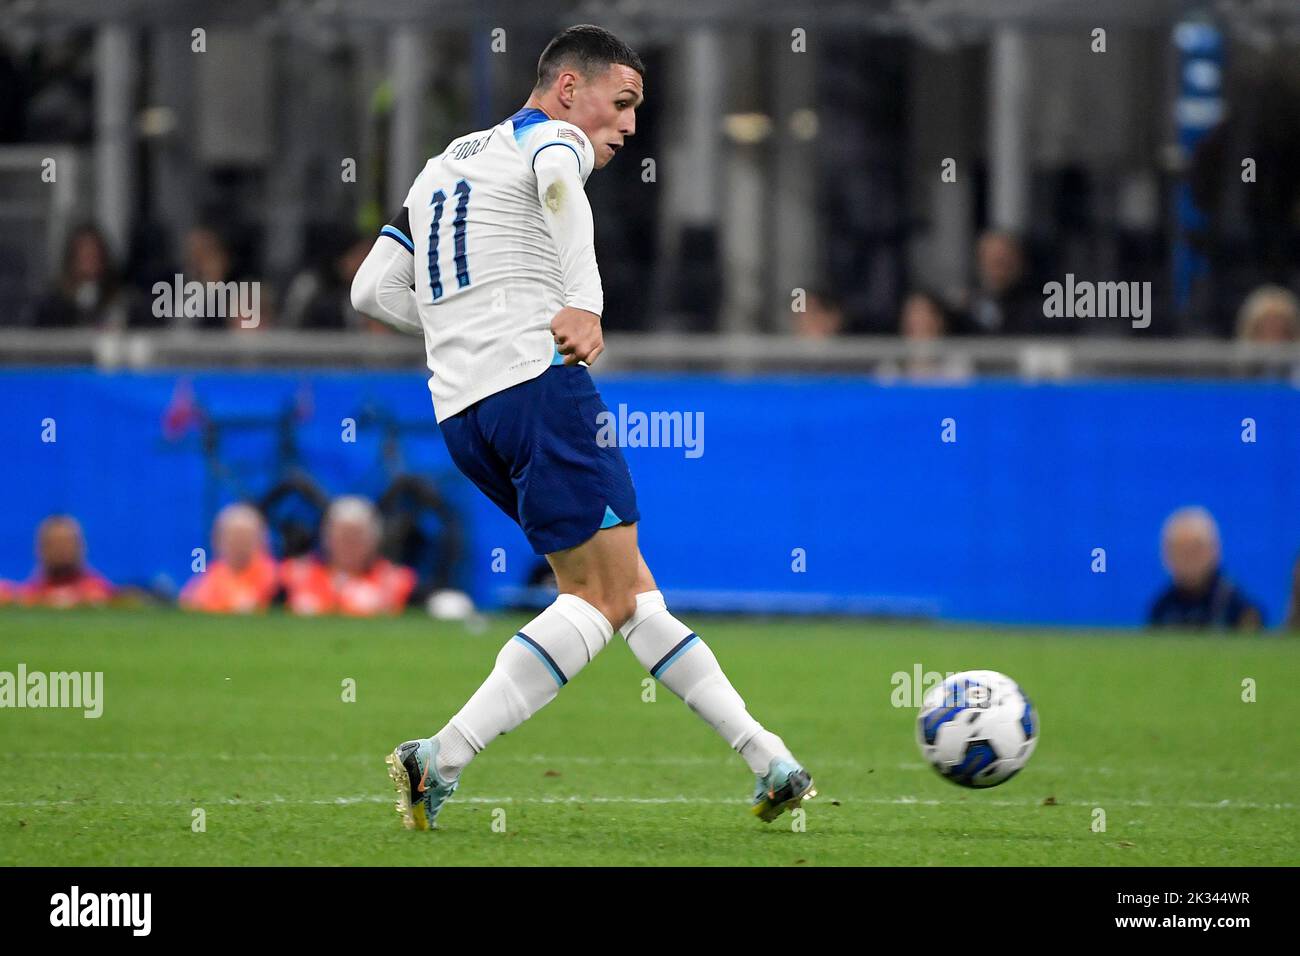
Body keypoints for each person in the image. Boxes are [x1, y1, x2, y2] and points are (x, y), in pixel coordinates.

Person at [351, 24, 812, 831]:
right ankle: (440, 756)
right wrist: (583, 302)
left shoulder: (441, 167)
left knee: (625, 593)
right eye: (622, 101)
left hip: (465, 413)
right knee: (602, 599)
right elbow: (562, 185)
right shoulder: (552, 137)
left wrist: (463, 328)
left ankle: (768, 758)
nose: (629, 125)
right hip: (538, 390)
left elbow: (371, 289)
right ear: (570, 88)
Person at [279, 496, 414, 616]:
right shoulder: (294, 576)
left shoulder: (395, 581)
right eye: (342, 535)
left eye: (357, 535)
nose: (349, 543)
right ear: (326, 538)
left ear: (374, 539)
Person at [1148, 507, 1262, 631]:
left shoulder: (1238, 608)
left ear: (1215, 550)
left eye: (1195, 549)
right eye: (1180, 551)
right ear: (1166, 556)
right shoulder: (1161, 609)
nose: (1188, 559)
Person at [179, 503, 279, 613]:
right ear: (218, 541)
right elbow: (191, 602)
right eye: (233, 537)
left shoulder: (274, 576)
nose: (239, 544)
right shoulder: (213, 573)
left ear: (260, 540)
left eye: (245, 537)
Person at [7, 515, 113, 608]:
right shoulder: (26, 595)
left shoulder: (99, 591)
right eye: (54, 544)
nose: (61, 550)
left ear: (81, 547)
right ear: (40, 549)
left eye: (67, 543)